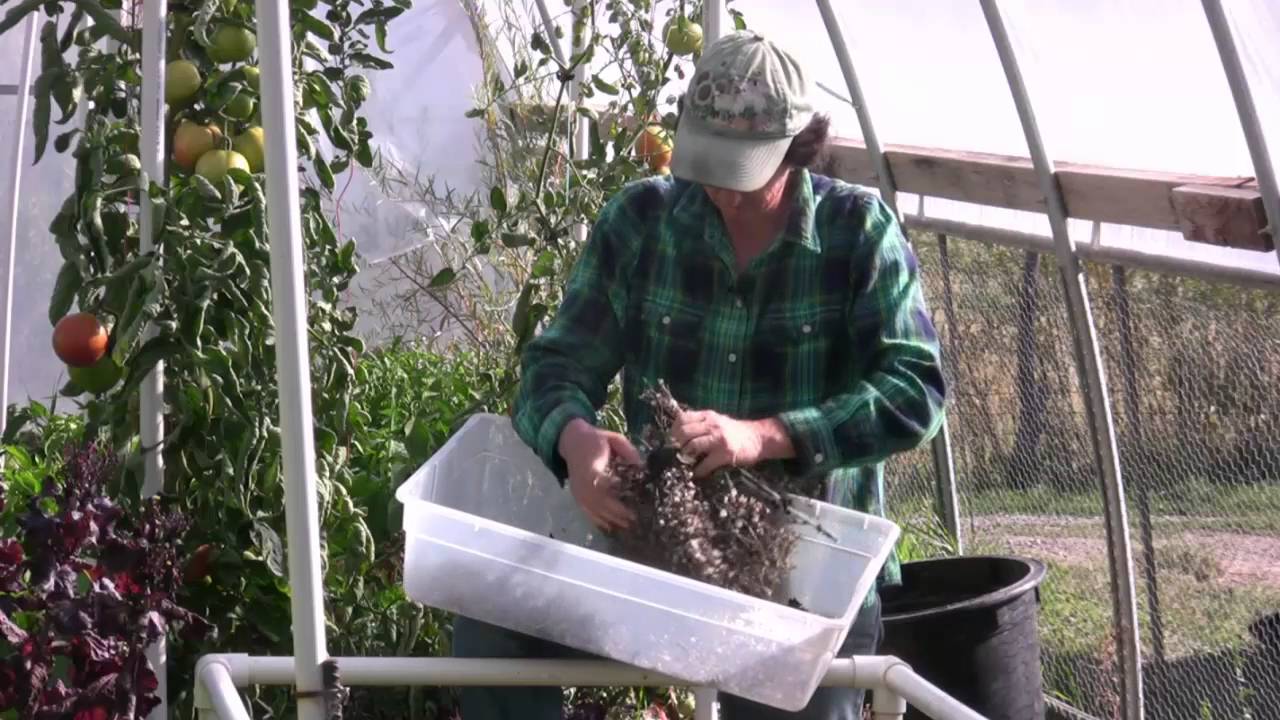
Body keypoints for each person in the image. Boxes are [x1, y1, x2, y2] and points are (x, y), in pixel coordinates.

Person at [451, 29, 947, 720]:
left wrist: (767, 436)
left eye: (742, 171)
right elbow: (555, 363)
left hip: (805, 578)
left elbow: (916, 392)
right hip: (663, 558)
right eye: (708, 164)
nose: (722, 190)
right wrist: (575, 441)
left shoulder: (858, 232)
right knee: (491, 623)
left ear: (797, 149)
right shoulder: (642, 221)